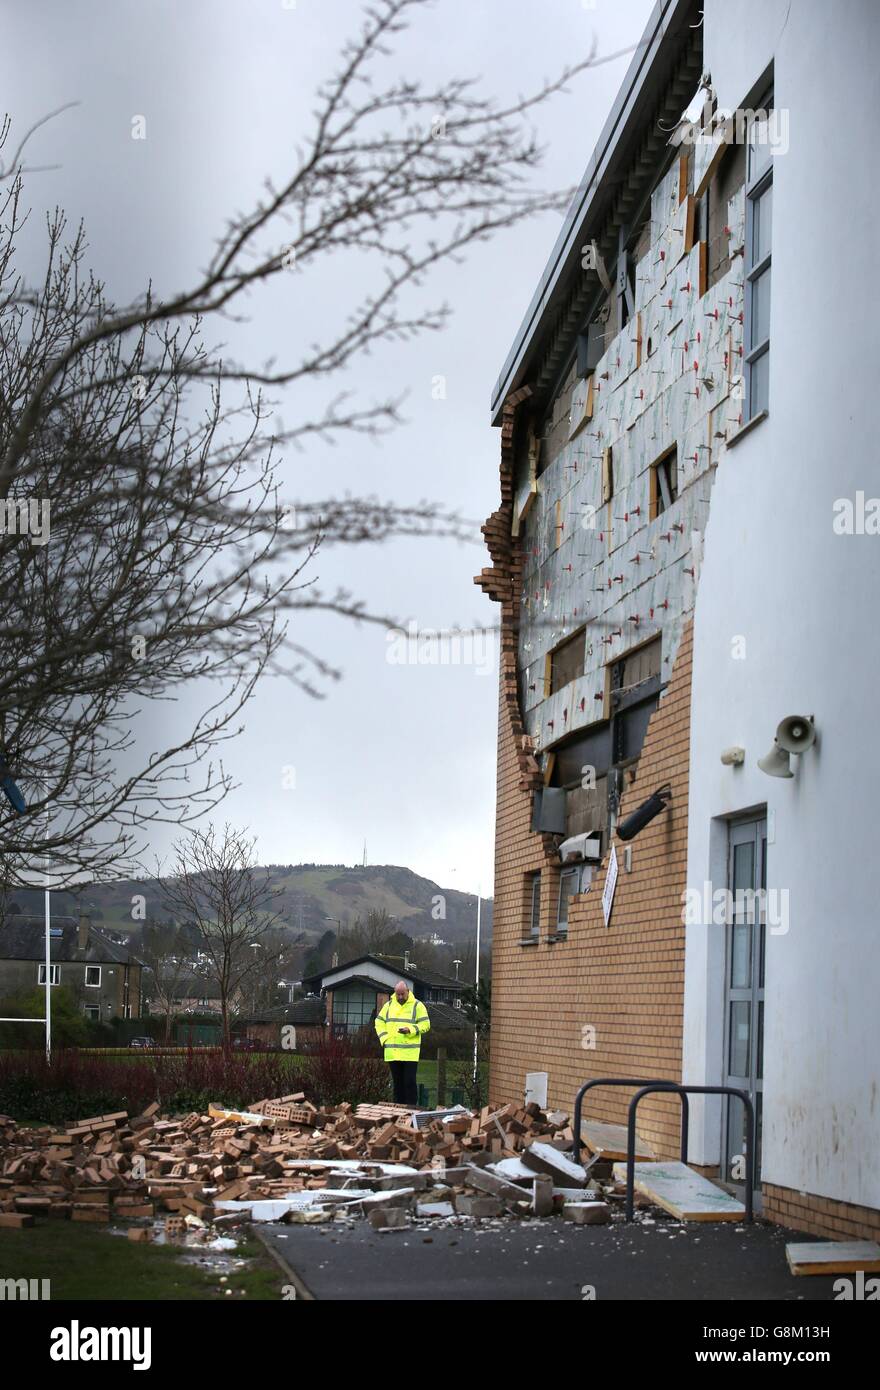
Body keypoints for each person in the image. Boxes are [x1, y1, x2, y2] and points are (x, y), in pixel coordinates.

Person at [374, 980, 430, 1106]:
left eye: (402, 994)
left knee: (409, 1083)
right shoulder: (388, 1006)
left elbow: (426, 1025)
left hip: (410, 1053)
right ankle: (398, 1112)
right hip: (392, 1052)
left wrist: (410, 1030)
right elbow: (378, 1022)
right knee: (397, 1084)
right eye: (398, 994)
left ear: (408, 992)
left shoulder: (417, 1006)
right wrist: (384, 1039)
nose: (400, 997)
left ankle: (411, 1110)